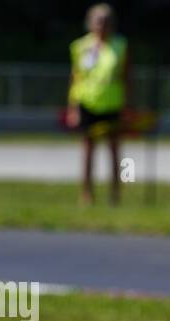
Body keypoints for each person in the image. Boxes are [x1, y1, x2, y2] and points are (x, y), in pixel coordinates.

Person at [67, 4, 129, 205]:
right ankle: (86, 194)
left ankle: (115, 194)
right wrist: (73, 107)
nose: (103, 26)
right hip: (88, 103)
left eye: (107, 21)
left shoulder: (120, 45)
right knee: (87, 149)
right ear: (90, 23)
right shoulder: (81, 47)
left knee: (114, 150)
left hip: (112, 104)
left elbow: (127, 77)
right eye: (99, 21)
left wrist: (128, 105)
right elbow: (75, 78)